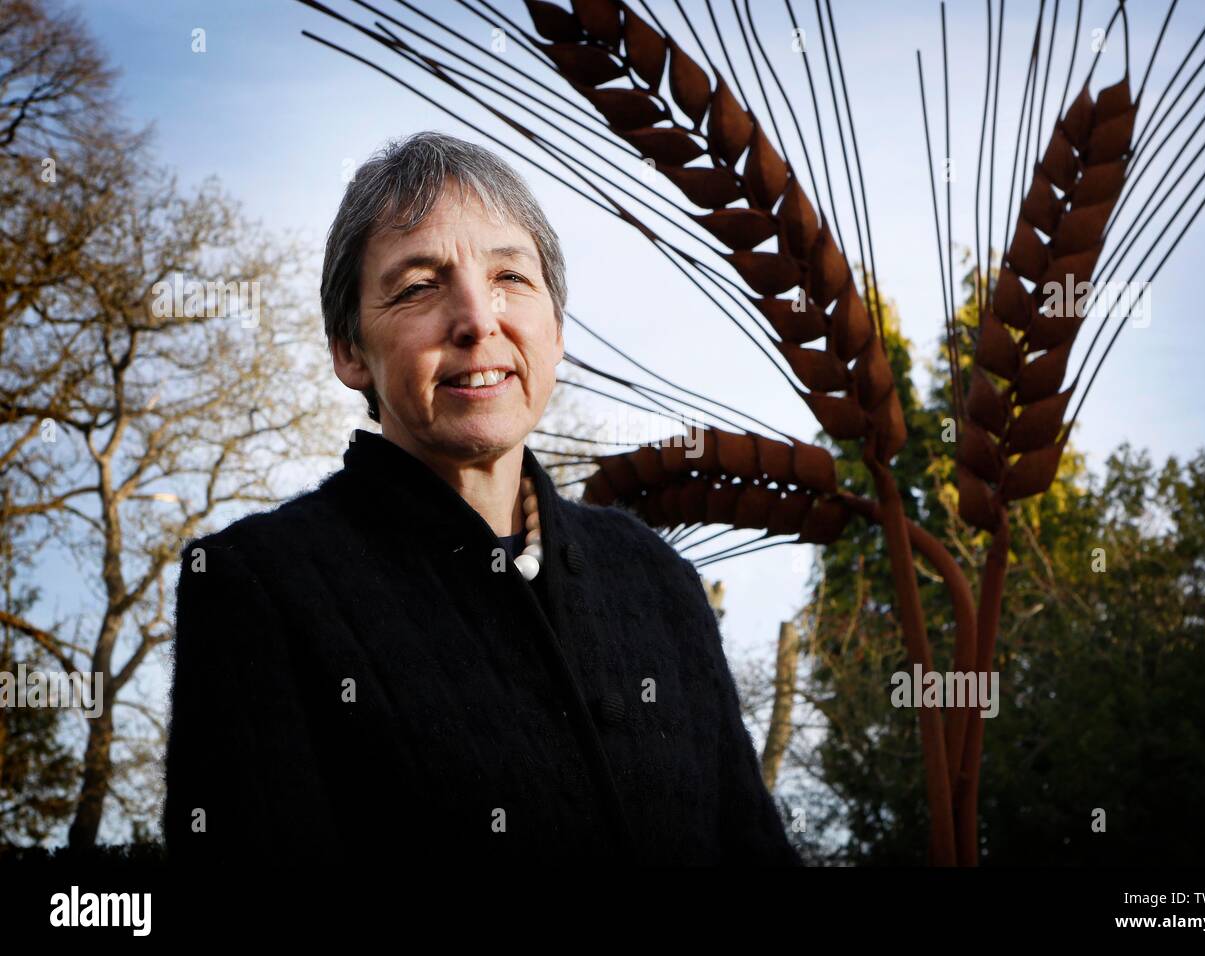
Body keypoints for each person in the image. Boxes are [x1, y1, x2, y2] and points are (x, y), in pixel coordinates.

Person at [162, 131, 803, 866]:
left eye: (510, 278)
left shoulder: (659, 582)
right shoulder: (258, 586)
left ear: (556, 331)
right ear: (348, 350)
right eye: (418, 287)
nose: (477, 320)